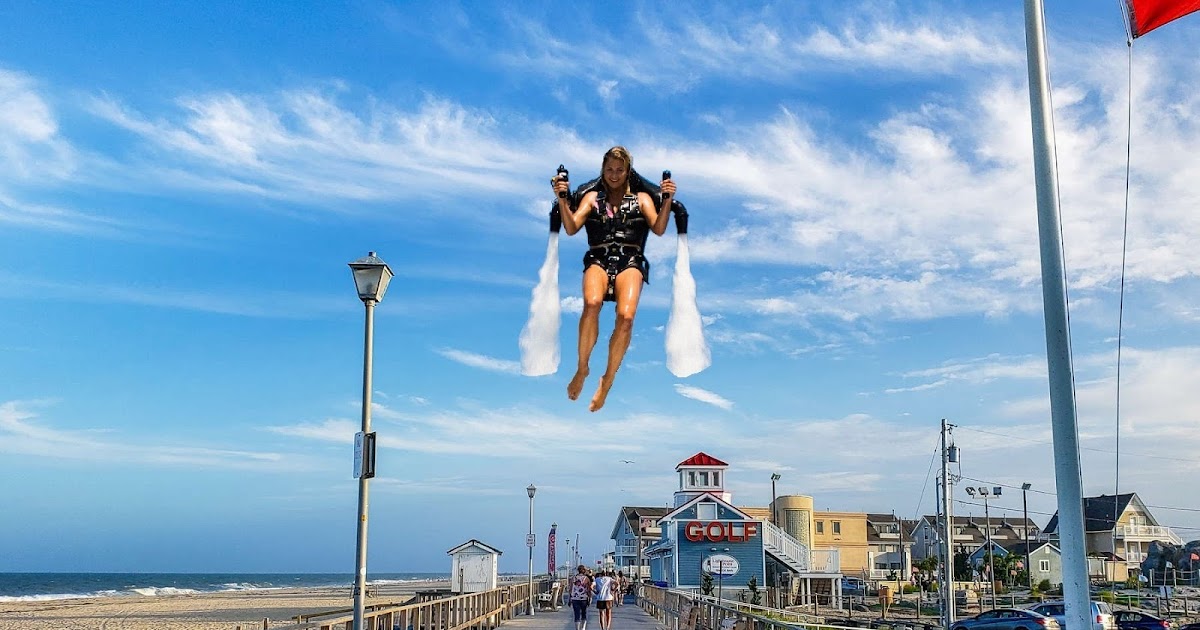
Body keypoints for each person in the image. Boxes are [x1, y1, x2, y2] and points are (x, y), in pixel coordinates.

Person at [552, 146, 675, 411]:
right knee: (592, 304)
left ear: (628, 171)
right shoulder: (591, 199)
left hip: (630, 259)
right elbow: (571, 228)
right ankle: (582, 368)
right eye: (609, 169)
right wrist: (562, 199)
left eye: (619, 170)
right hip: (598, 257)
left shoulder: (642, 199)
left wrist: (666, 199)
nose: (614, 174)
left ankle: (607, 380)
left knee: (626, 317)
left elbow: (659, 228)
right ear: (603, 170)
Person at [570, 564, 595, 630]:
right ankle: (583, 628)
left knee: (576, 614)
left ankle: (577, 628)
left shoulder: (573, 578)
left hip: (575, 598)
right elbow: (589, 589)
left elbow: (570, 589)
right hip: (584, 598)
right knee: (584, 613)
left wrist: (570, 598)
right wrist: (590, 597)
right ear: (584, 571)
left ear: (578, 570)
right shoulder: (586, 578)